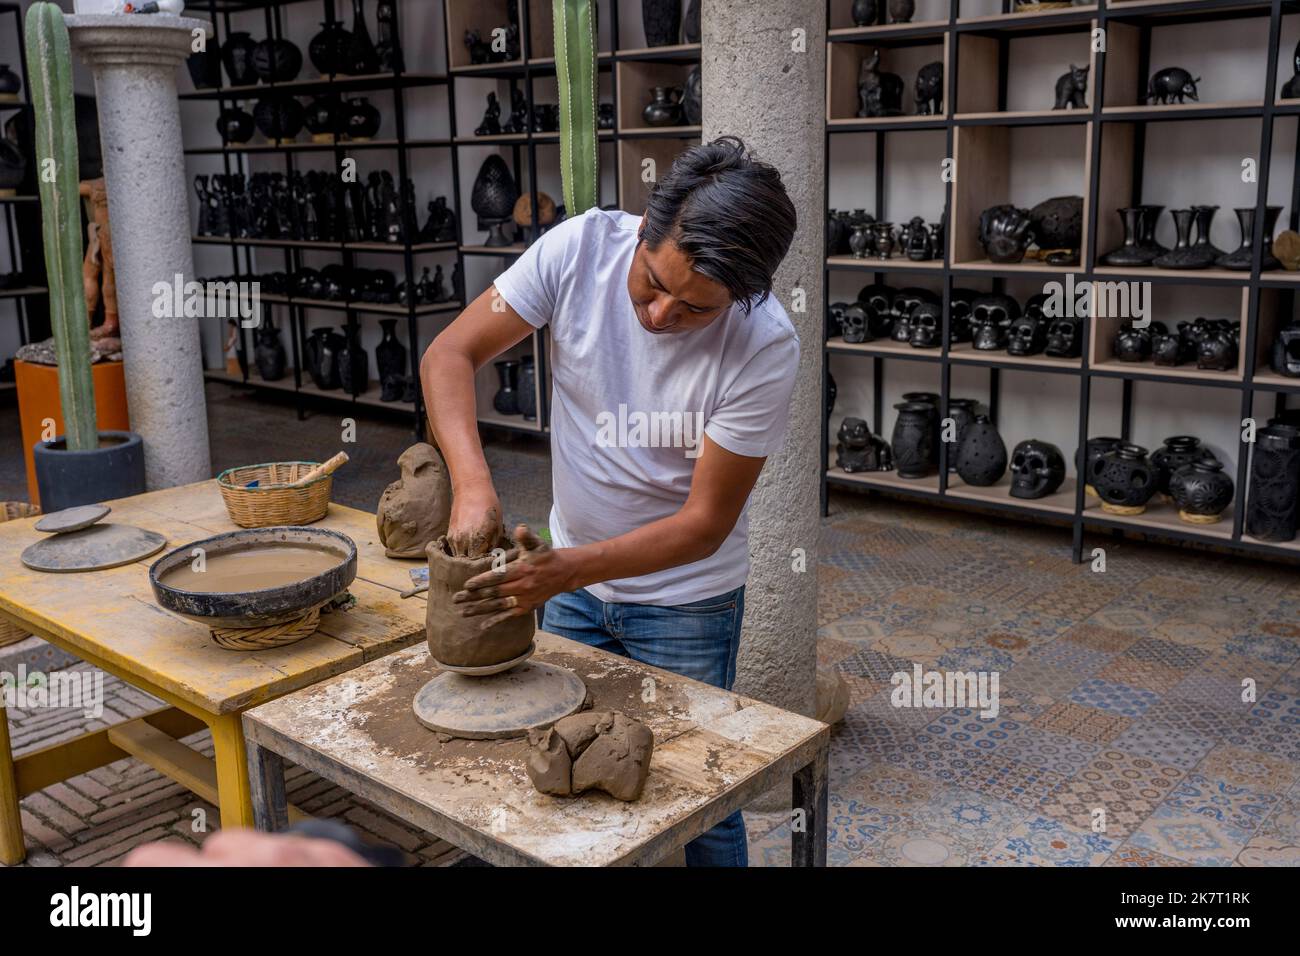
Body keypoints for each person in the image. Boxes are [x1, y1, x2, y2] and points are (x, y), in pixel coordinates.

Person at [420, 136, 799, 867]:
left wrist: (567, 571)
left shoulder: (764, 345)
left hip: (686, 600)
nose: (658, 316)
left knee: (697, 794)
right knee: (561, 763)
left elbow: (703, 525)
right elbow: (449, 356)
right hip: (568, 583)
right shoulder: (580, 250)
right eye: (651, 283)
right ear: (644, 224)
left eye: (694, 310)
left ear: (743, 297)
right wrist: (471, 484)